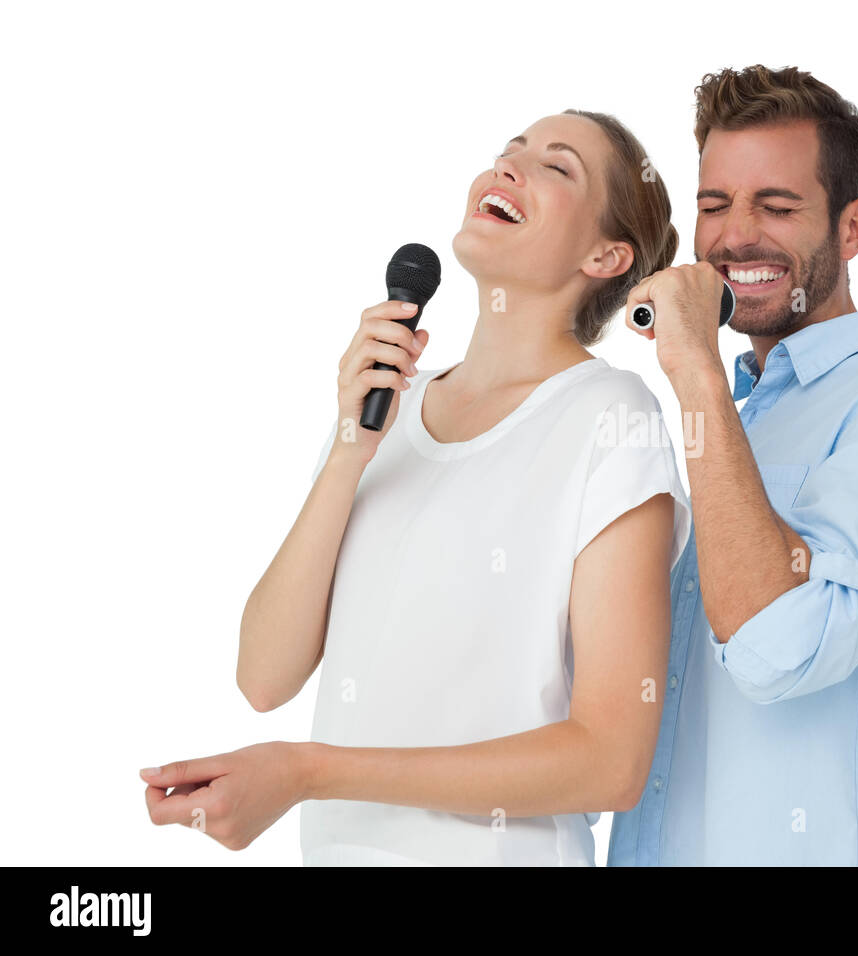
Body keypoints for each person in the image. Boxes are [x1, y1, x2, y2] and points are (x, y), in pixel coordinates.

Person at [140, 110, 691, 866]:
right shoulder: (386, 413)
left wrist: (312, 772)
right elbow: (263, 677)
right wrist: (347, 451)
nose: (508, 168)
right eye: (508, 152)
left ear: (606, 253)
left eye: (557, 167)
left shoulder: (610, 419)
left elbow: (611, 760)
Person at [609, 65, 858, 866]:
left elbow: (777, 644)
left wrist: (691, 365)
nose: (734, 237)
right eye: (714, 205)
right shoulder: (721, 419)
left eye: (778, 205)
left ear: (853, 228)